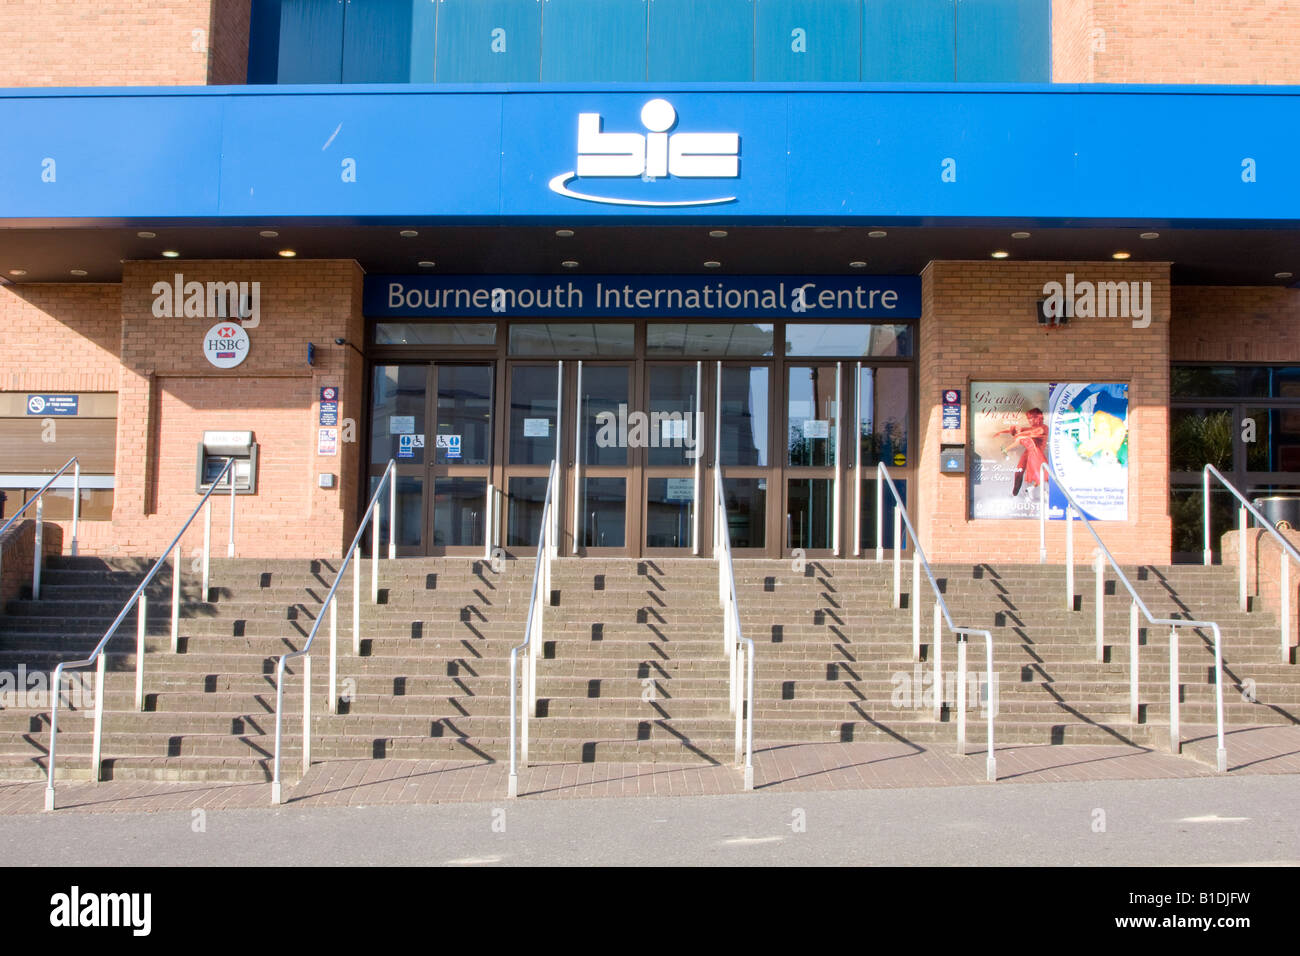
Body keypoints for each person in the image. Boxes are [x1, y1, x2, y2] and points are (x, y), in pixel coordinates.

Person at [993, 407, 1048, 499]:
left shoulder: (1043, 428)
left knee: (1041, 474)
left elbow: (1032, 432)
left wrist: (1018, 434)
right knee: (1018, 472)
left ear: (1038, 418)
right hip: (1029, 452)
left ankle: (1045, 493)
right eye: (1029, 419)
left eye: (1032, 418)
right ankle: (1014, 494)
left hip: (1037, 453)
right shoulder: (1031, 428)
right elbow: (1017, 429)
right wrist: (1001, 431)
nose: (1030, 421)